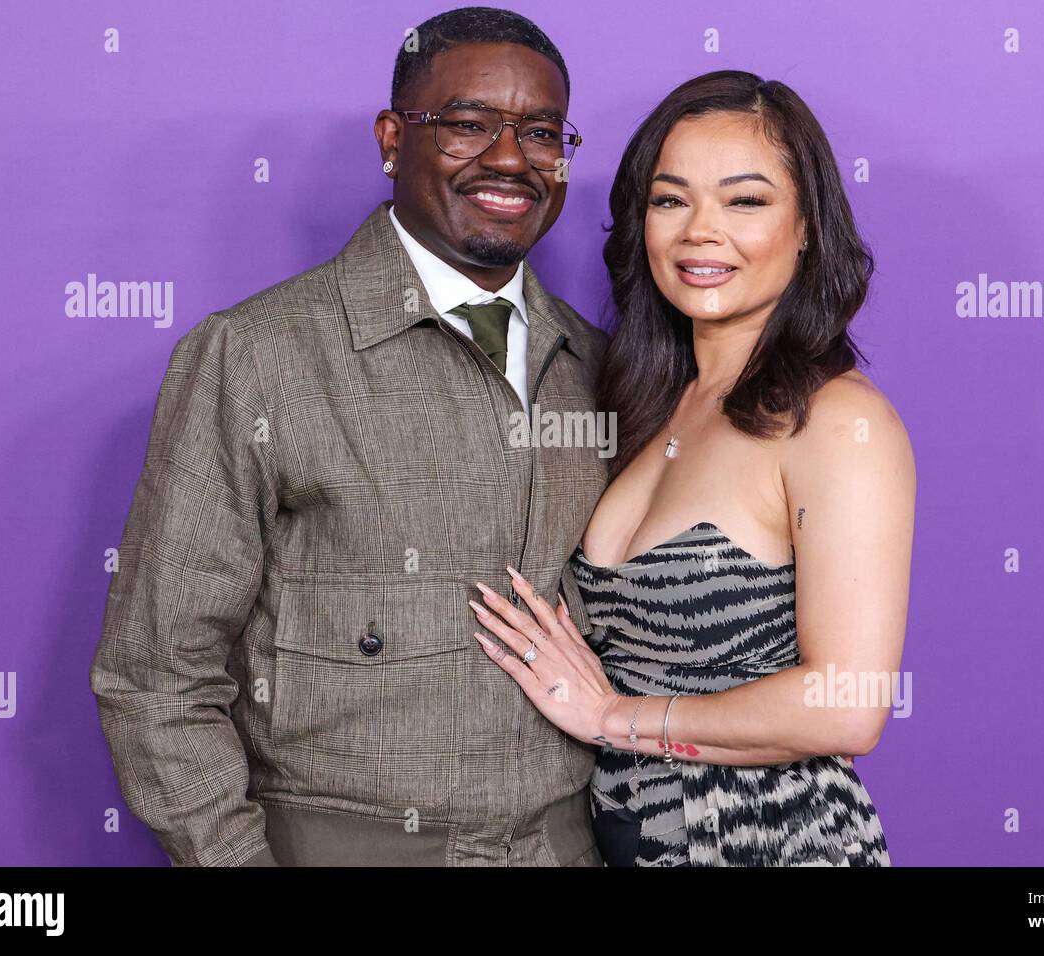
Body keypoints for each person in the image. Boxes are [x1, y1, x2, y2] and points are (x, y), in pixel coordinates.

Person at [89, 6, 612, 867]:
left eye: (542, 132)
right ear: (392, 137)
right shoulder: (258, 355)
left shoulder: (599, 365)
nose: (512, 159)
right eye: (470, 125)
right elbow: (156, 677)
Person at [469, 70, 915, 866]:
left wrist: (614, 718)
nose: (701, 231)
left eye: (745, 201)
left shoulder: (839, 420)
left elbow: (848, 708)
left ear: (808, 227)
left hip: (771, 843)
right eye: (671, 200)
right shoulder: (653, 401)